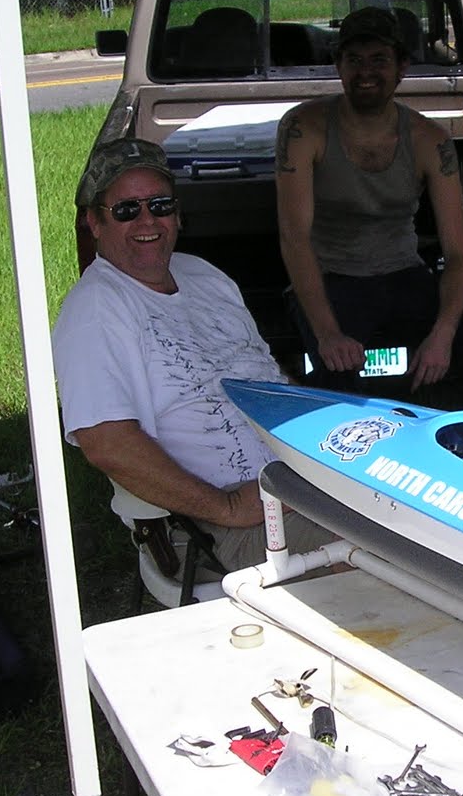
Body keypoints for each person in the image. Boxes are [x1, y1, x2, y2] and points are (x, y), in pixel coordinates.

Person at [52, 138, 332, 573]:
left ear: (177, 213)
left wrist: (328, 432)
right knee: (398, 555)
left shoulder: (204, 275)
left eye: (160, 205)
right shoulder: (94, 309)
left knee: (430, 522)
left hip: (306, 484)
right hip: (223, 527)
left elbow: (265, 371)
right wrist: (226, 507)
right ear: (95, 221)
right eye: (126, 210)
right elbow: (106, 443)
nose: (147, 220)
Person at [275, 5, 463, 409]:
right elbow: (294, 237)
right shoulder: (304, 128)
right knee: (335, 372)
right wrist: (328, 333)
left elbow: (458, 253)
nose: (365, 72)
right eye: (354, 60)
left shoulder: (429, 140)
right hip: (332, 275)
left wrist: (443, 335)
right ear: (339, 66)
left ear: (401, 67)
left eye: (379, 60)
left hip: (403, 273)